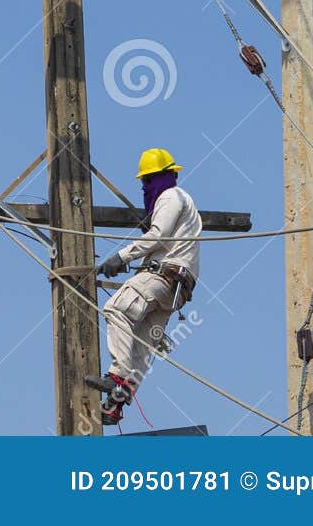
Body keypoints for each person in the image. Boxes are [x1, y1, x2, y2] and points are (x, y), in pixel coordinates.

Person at [94, 147, 201, 425]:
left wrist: (122, 256)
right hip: (175, 289)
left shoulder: (171, 196)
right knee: (141, 342)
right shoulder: (182, 204)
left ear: (164, 177)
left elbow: (158, 235)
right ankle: (118, 401)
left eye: (148, 180)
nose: (146, 186)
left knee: (116, 309)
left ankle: (118, 374)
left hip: (163, 277)